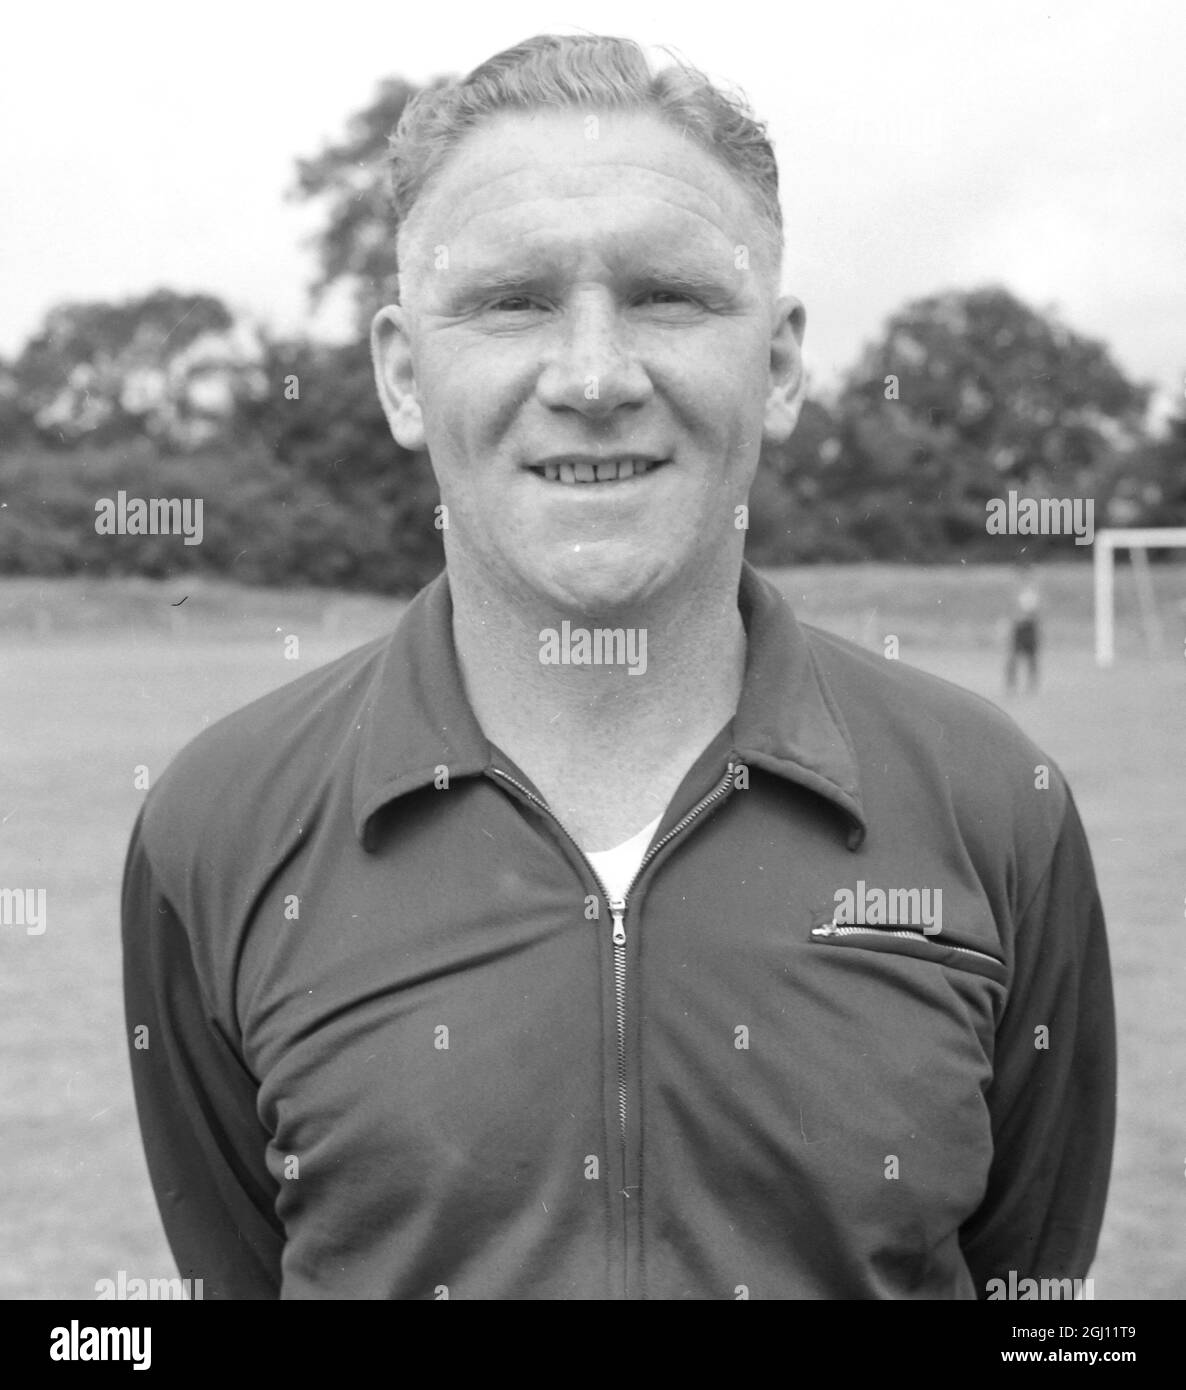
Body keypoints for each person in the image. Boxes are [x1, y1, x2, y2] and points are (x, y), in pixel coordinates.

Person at [122, 33, 1115, 1300]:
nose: (592, 377)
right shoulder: (217, 822)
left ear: (780, 361)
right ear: (400, 374)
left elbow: (1033, 1297)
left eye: (668, 296)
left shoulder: (995, 804)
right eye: (511, 300)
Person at [1005, 580, 1041, 692]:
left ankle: (1031, 685)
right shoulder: (1017, 594)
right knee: (1014, 658)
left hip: (1029, 627)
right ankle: (1012, 684)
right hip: (1019, 627)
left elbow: (1037, 613)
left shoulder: (1033, 594)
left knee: (1031, 658)